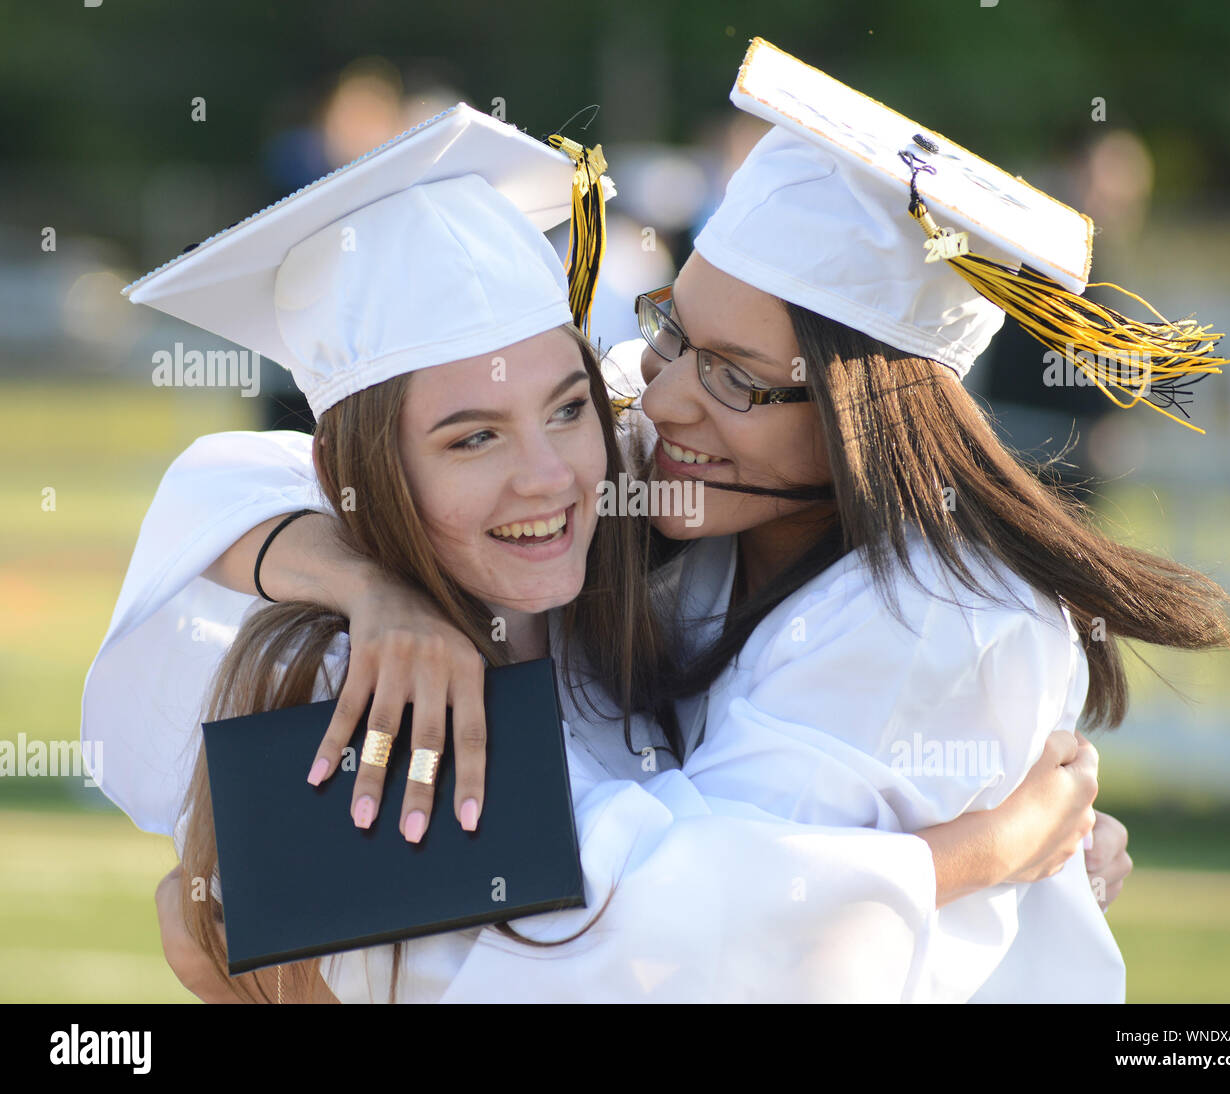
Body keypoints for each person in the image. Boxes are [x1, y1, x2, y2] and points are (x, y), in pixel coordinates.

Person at [85, 102, 1108, 1003]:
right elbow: (222, 485)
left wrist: (1008, 858)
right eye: (668, 336)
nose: (655, 402)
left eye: (736, 378)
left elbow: (687, 939)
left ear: (859, 419)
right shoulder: (372, 657)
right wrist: (977, 853)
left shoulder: (929, 616)